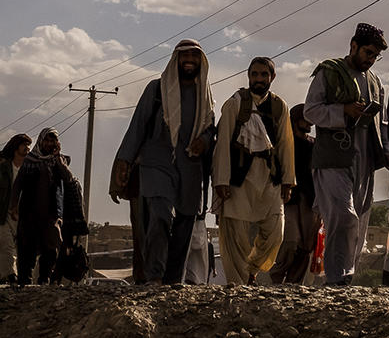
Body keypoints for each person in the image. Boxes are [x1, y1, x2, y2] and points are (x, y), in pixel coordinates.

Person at [112, 40, 217, 284]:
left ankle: (173, 280)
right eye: (184, 56)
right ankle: (154, 276)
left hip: (190, 166)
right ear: (176, 60)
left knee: (185, 222)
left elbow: (211, 127)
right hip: (156, 163)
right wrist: (124, 162)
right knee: (159, 216)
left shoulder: (205, 95)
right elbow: (137, 126)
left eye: (194, 55)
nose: (189, 60)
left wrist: (203, 140)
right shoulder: (157, 90)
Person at [305, 23, 389, 286]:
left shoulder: (375, 81)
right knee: (343, 216)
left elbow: (382, 122)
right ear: (353, 45)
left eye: (375, 55)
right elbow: (311, 111)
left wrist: (387, 151)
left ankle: (346, 277)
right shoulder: (330, 71)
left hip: (364, 159)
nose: (370, 59)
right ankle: (335, 277)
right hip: (334, 157)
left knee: (361, 219)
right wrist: (343, 111)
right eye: (367, 52)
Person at [212, 56, 295, 285]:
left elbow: (286, 144)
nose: (259, 79)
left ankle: (252, 269)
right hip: (239, 177)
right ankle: (239, 285)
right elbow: (223, 142)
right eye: (255, 74)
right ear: (249, 76)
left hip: (269, 177)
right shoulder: (235, 103)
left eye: (264, 75)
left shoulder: (279, 106)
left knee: (275, 232)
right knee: (235, 236)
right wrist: (221, 180)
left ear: (272, 77)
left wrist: (288, 180)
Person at [12, 127, 83, 285]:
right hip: (29, 213)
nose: (49, 144)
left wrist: (57, 159)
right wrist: (14, 206)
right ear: (41, 141)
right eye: (47, 140)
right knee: (27, 248)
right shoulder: (30, 161)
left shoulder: (59, 161)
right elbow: (18, 184)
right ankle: (25, 280)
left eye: (53, 141)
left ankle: (44, 279)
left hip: (52, 214)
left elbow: (69, 179)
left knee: (51, 248)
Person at [275, 103, 319, 284]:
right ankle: (277, 278)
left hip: (309, 199)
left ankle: (294, 283)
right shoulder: (284, 144)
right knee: (291, 241)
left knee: (306, 246)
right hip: (289, 199)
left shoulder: (314, 144)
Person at [0, 134, 31, 283]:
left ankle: (4, 276)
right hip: (3, 215)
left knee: (20, 249)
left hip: (23, 216)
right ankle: (11, 275)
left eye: (28, 145)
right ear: (16, 147)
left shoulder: (30, 168)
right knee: (6, 246)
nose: (27, 148)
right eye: (24, 144)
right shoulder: (4, 168)